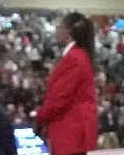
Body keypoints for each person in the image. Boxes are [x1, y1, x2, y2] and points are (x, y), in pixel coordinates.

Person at [33, 14, 96, 155]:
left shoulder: (74, 58)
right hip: (72, 133)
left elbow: (59, 99)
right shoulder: (78, 56)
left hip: (69, 132)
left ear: (68, 32)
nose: (56, 30)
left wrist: (39, 117)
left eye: (59, 26)